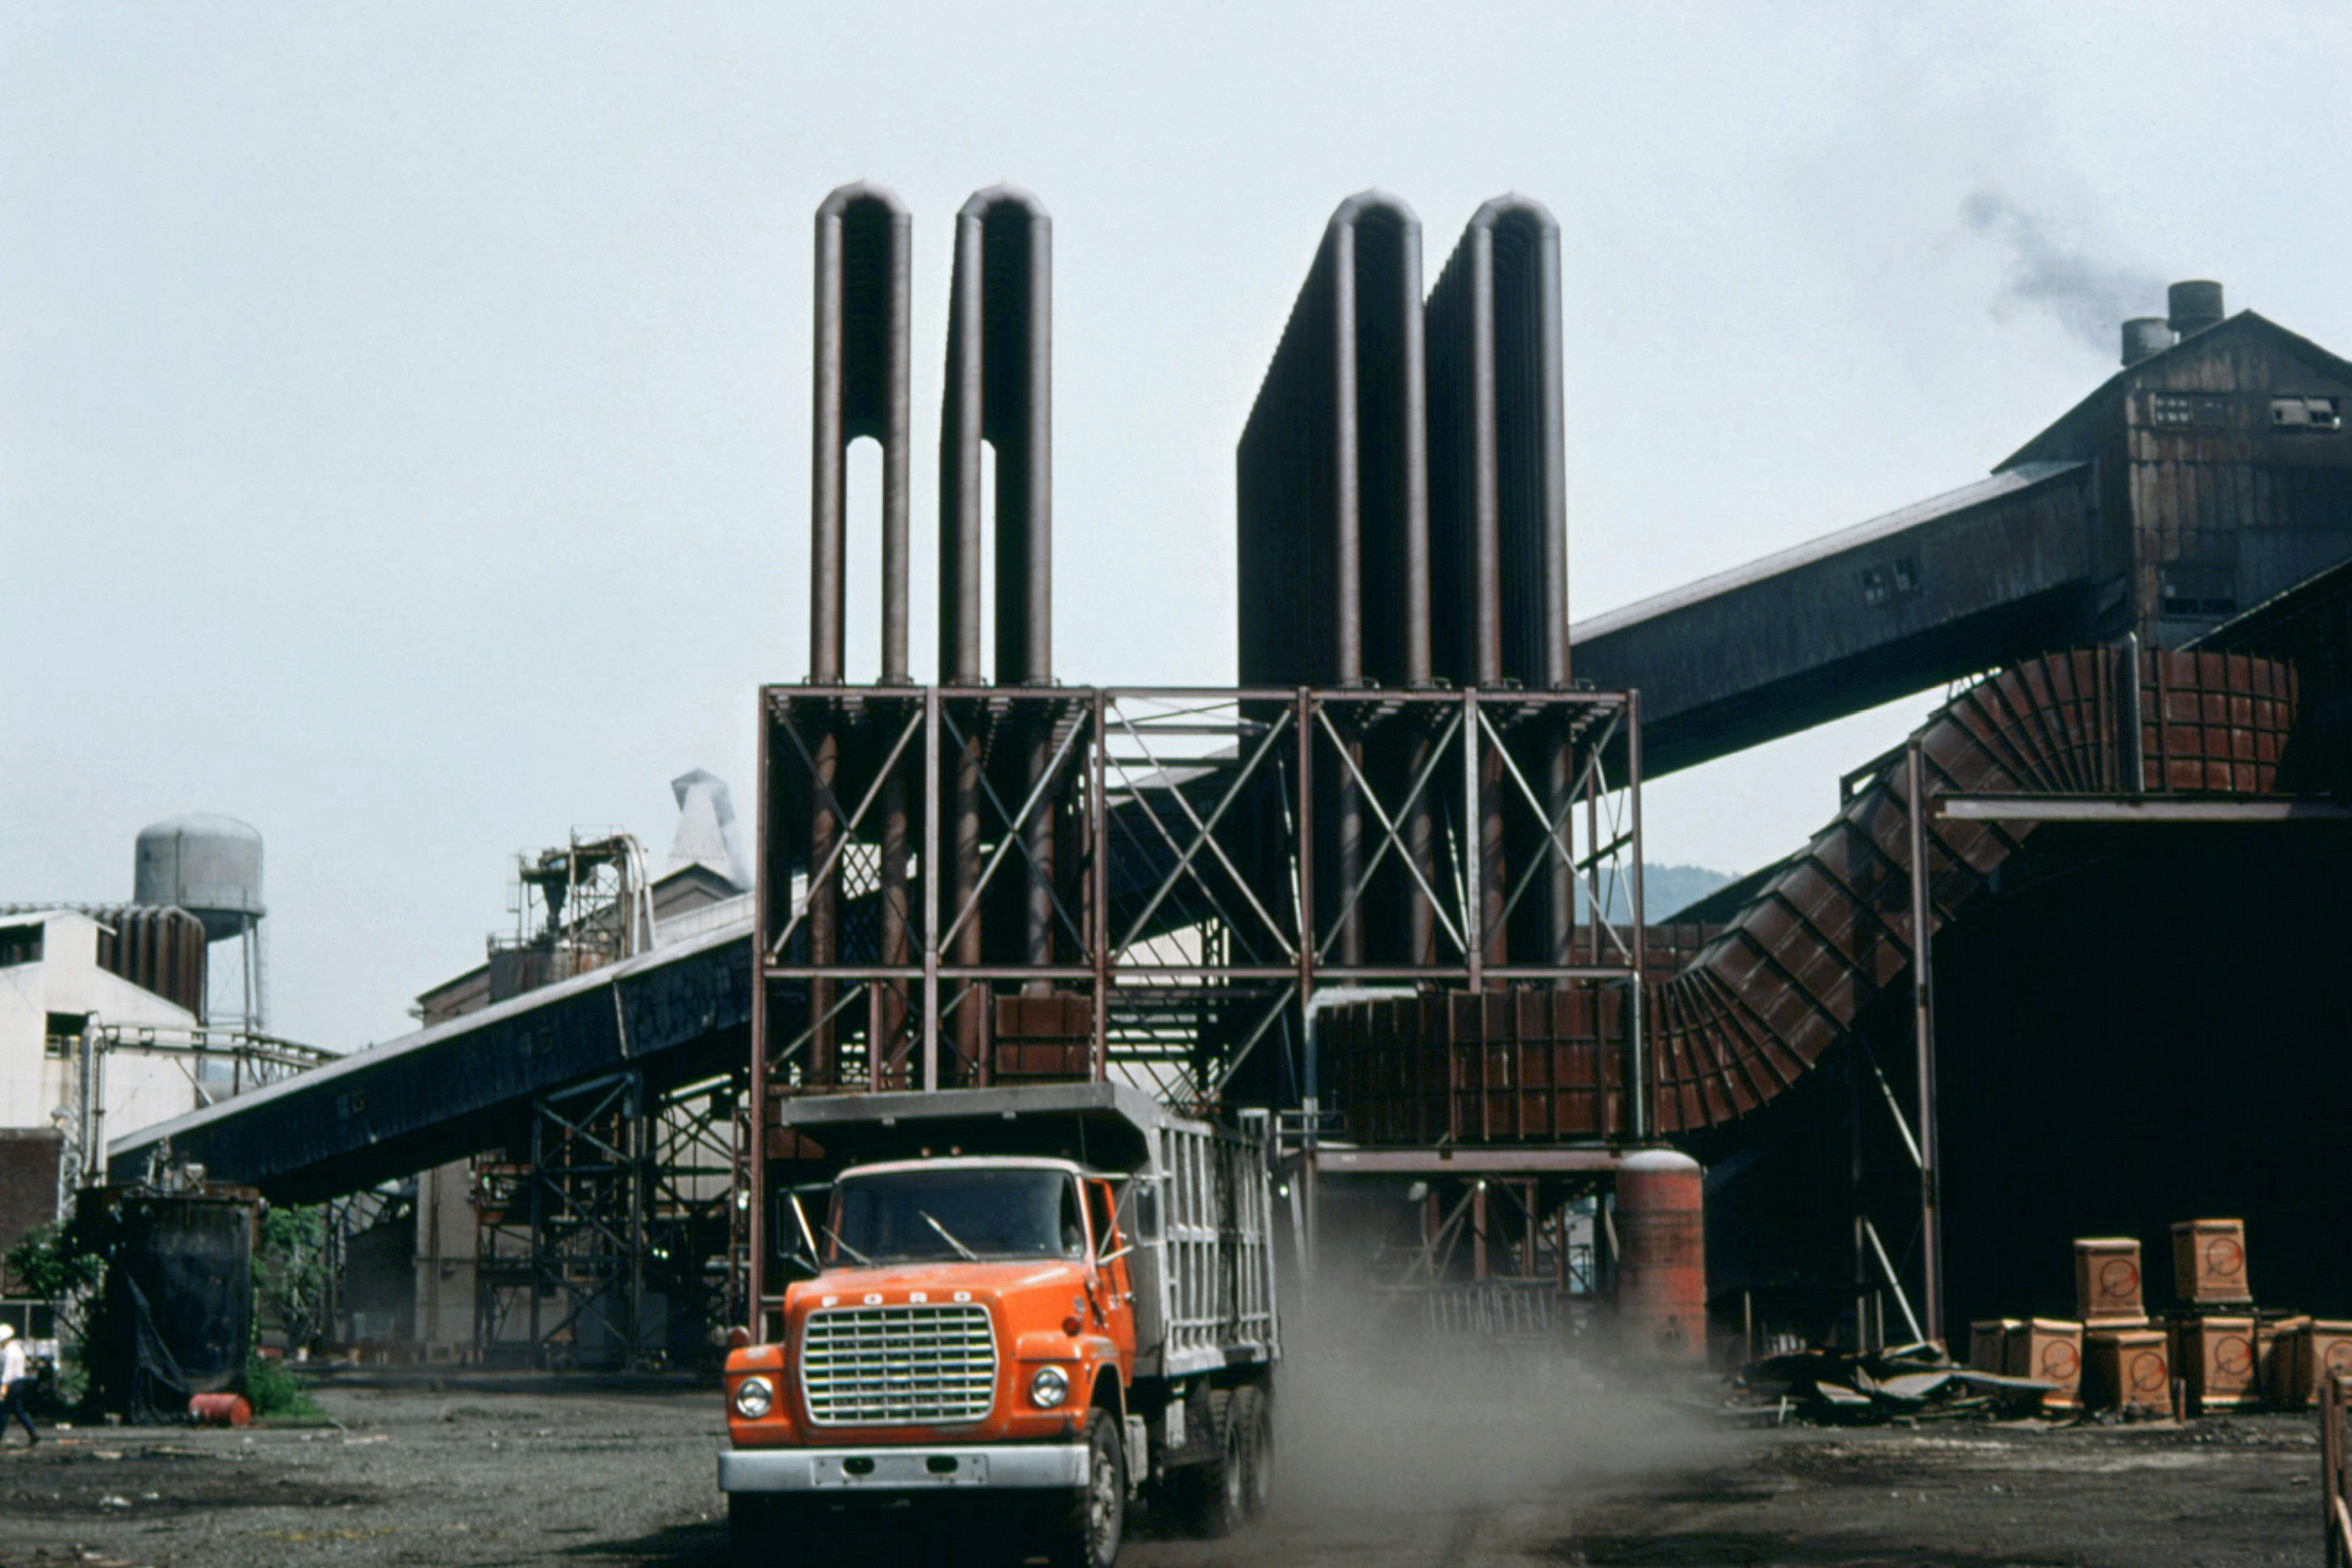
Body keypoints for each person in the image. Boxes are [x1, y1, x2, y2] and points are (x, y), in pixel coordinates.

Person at [0, 1323, 36, 1448]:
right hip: (19, 1382)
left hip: (13, 1383)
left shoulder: (10, 1352)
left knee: (4, 1412)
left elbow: (8, 1372)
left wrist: (4, 1387)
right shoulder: (16, 1349)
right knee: (18, 1410)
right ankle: (34, 1435)